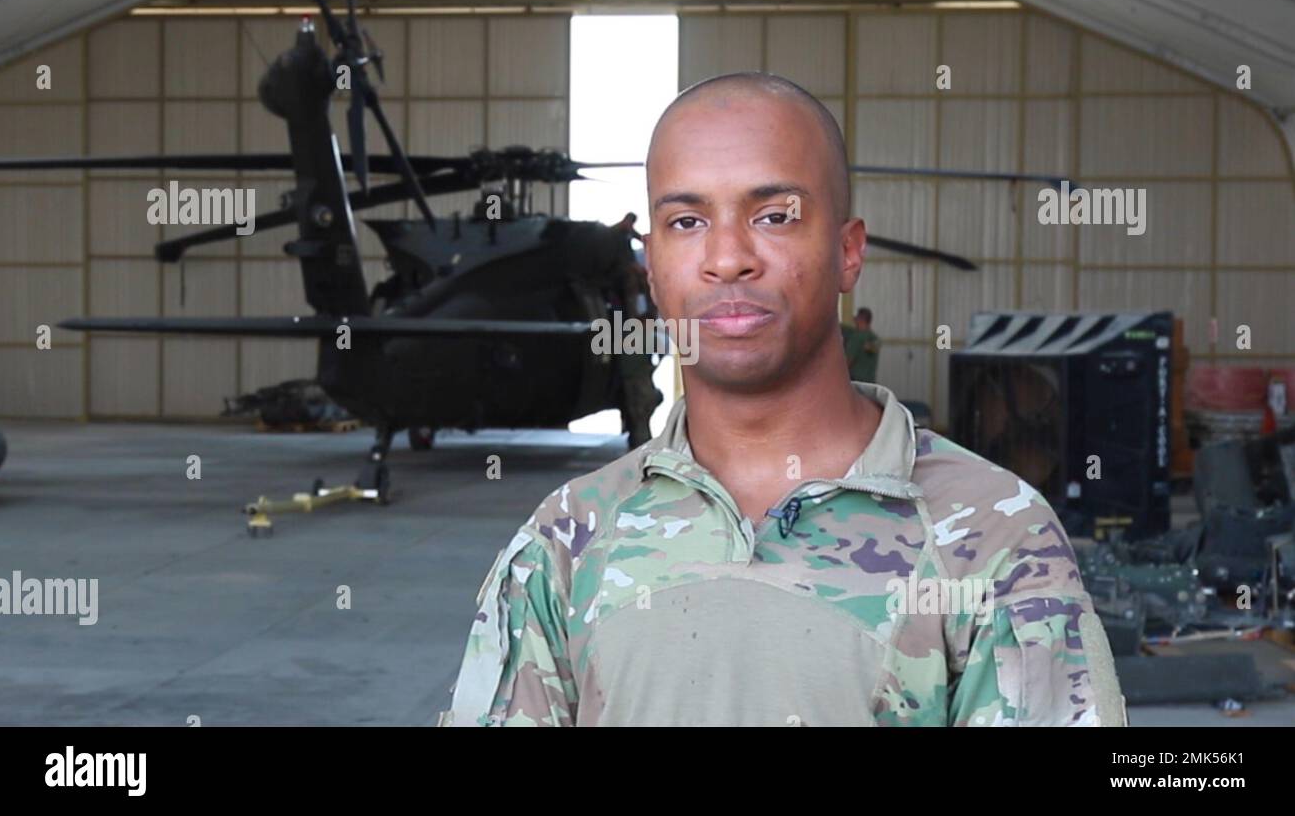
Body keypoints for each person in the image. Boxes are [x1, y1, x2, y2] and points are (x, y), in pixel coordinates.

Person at [438, 71, 1126, 727]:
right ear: (650, 264)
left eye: (774, 215)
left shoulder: (996, 537)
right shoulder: (565, 540)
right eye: (686, 222)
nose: (728, 256)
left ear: (848, 251)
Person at [842, 306, 880, 383]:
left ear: (860, 319)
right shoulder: (875, 338)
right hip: (870, 383)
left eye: (856, 318)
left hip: (856, 383)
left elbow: (847, 363)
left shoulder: (857, 338)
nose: (854, 320)